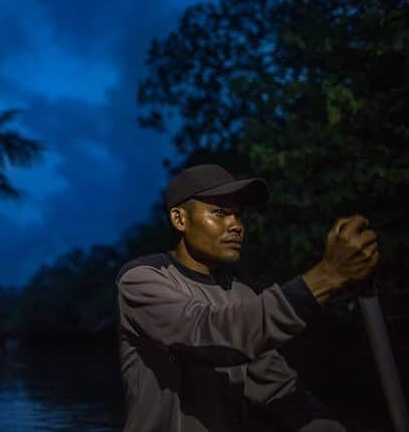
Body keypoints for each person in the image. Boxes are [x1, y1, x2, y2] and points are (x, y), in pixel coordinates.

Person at [116, 164, 379, 432]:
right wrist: (327, 276)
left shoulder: (241, 294)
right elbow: (207, 332)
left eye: (238, 216)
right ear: (180, 219)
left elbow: (279, 391)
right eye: (219, 213)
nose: (235, 226)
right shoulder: (141, 280)